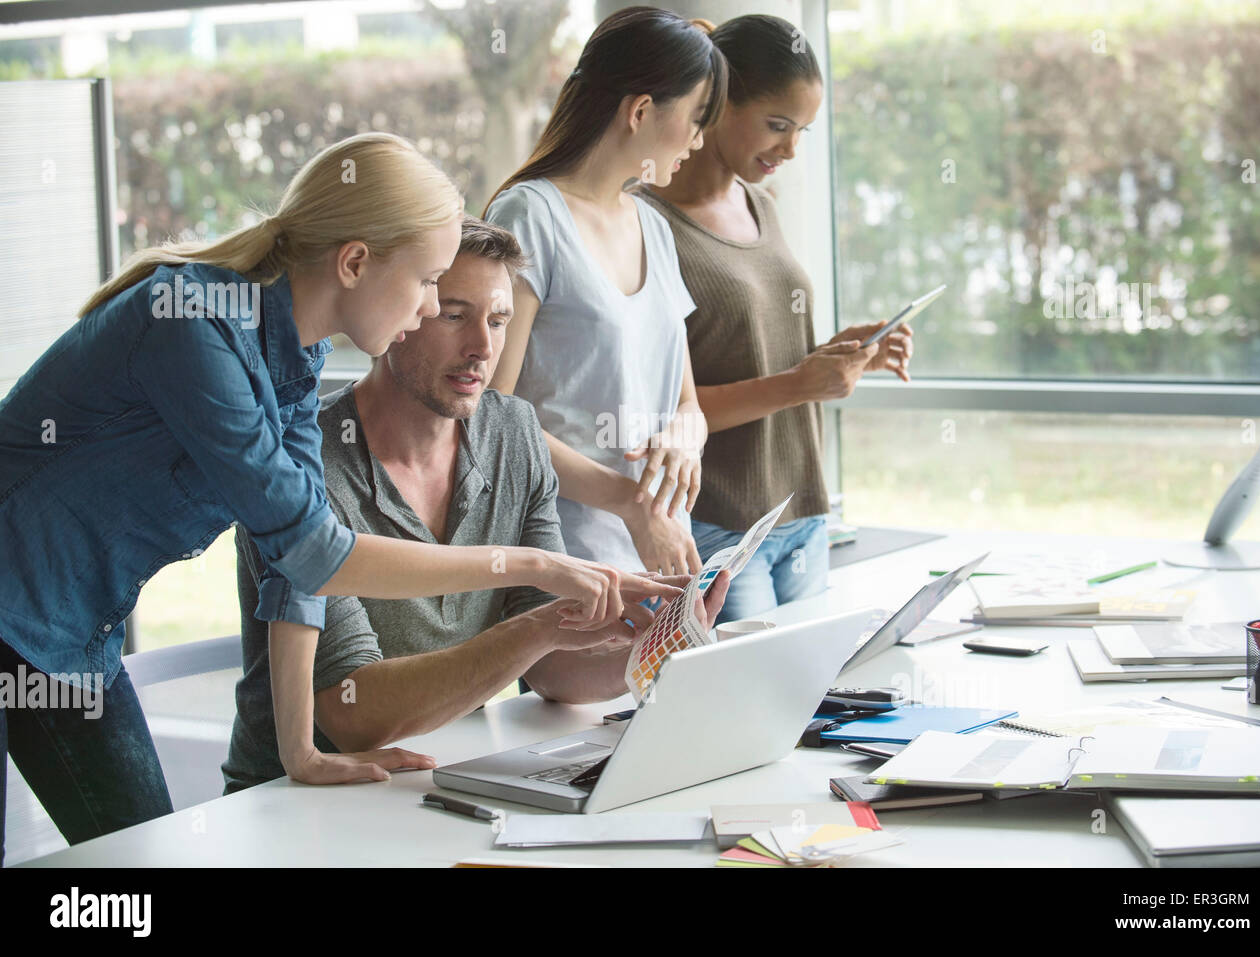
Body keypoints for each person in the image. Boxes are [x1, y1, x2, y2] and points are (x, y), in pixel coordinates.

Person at [0, 132, 677, 861]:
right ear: (355, 262)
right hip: (19, 616)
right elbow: (319, 553)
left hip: (70, 638)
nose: (423, 311)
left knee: (135, 878)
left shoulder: (296, 351)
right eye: (426, 283)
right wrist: (531, 567)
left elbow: (298, 555)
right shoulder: (191, 326)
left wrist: (301, 751)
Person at [222, 217, 729, 791]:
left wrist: (653, 647)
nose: (482, 349)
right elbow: (353, 715)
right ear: (399, 310)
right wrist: (540, 629)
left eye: (498, 320)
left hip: (440, 780)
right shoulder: (302, 462)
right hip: (292, 804)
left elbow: (552, 668)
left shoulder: (514, 433)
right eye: (455, 316)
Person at [640, 15, 915, 622]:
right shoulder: (644, 222)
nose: (790, 148)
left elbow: (748, 346)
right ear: (716, 102)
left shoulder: (760, 201)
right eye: (777, 125)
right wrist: (800, 384)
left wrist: (839, 356)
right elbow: (665, 410)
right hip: (719, 522)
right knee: (753, 707)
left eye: (803, 131)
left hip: (801, 513)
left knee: (812, 710)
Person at [483, 6, 728, 578]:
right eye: (696, 119)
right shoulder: (529, 214)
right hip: (569, 563)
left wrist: (684, 440)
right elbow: (495, 413)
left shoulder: (655, 227)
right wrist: (630, 503)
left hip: (664, 552)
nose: (698, 140)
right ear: (641, 111)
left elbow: (689, 403)